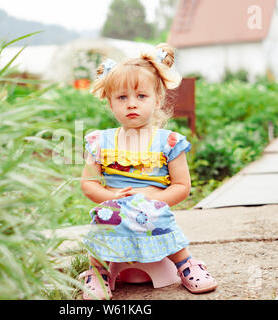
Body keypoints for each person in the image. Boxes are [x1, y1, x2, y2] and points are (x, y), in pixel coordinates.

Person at [78, 43, 217, 300]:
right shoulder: (100, 141)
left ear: (157, 99)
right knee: (103, 218)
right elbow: (88, 183)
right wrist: (112, 196)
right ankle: (97, 271)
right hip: (115, 205)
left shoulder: (169, 142)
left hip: (153, 206)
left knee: (157, 216)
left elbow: (181, 186)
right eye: (122, 97)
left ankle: (186, 264)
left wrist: (153, 200)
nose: (132, 104)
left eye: (141, 96)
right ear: (110, 102)